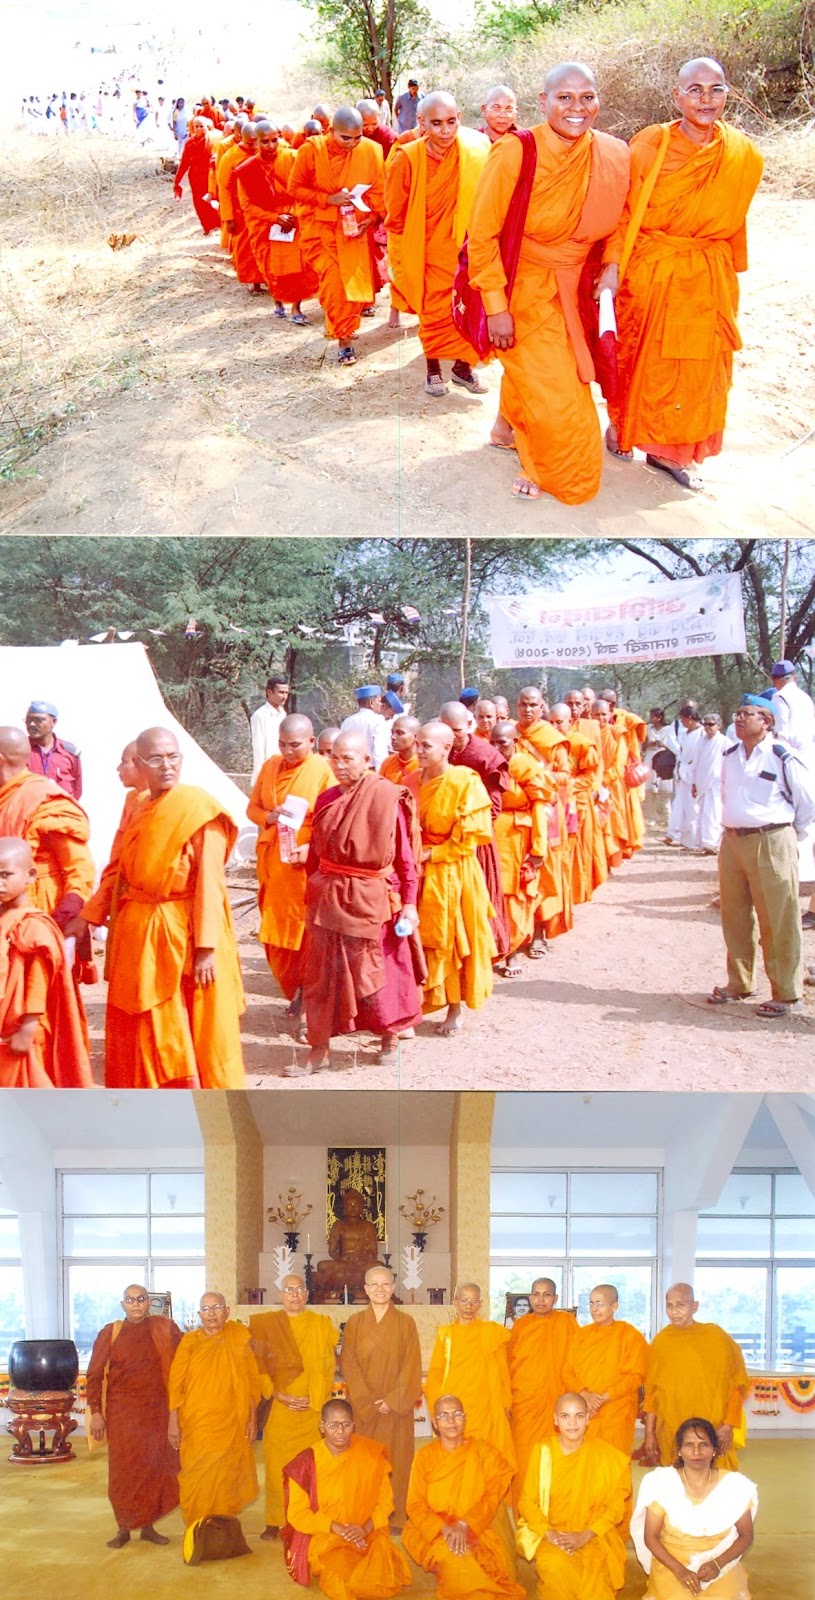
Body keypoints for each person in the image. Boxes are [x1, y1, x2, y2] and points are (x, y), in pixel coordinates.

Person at [467, 63, 629, 502]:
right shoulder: (516, 151)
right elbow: (482, 234)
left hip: (578, 288)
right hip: (524, 287)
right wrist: (497, 307)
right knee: (563, 399)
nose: (577, 108)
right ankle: (558, 474)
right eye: (565, 98)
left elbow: (621, 216)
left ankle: (505, 431)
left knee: (543, 373)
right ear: (543, 102)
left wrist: (612, 263)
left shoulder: (613, 153)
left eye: (587, 97)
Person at [600, 59, 763, 491]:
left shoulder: (743, 153)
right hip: (654, 270)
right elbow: (624, 211)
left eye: (716, 89)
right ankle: (625, 426)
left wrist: (727, 278)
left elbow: (734, 222)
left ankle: (668, 451)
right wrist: (612, 267)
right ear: (677, 96)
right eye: (695, 90)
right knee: (641, 359)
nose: (706, 99)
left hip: (708, 276)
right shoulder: (651, 144)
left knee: (696, 369)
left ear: (729, 94)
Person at [70, 726, 246, 1088]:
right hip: (139, 932)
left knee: (181, 1024)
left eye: (173, 757)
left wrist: (206, 948)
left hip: (182, 932)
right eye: (156, 759)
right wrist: (88, 915)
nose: (167, 766)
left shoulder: (199, 809)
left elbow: (210, 884)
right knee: (140, 1019)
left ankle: (189, 1104)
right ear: (140, 763)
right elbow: (118, 871)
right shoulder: (137, 805)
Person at [300, 731, 423, 1072]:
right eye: (334, 758)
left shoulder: (386, 797)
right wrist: (311, 888)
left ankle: (390, 1036)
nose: (338, 765)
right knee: (321, 974)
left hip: (372, 898)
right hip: (328, 896)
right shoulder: (326, 799)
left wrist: (409, 903)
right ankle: (319, 1048)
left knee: (380, 971)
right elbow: (316, 852)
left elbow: (406, 860)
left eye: (347, 758)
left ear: (367, 760)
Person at [707, 695, 815, 1017]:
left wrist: (788, 835)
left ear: (766, 721)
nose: (739, 719)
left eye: (747, 714)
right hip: (734, 841)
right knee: (735, 915)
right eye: (737, 713)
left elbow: (806, 802)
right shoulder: (729, 755)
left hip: (771, 839)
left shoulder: (782, 756)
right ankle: (739, 983)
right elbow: (726, 794)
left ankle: (787, 992)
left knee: (779, 918)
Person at [385, 93, 490, 397]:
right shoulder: (407, 157)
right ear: (421, 123)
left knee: (468, 309)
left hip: (466, 251)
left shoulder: (476, 149)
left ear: (460, 117)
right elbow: (396, 213)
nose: (445, 130)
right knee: (433, 312)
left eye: (451, 121)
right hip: (427, 253)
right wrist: (399, 256)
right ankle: (433, 368)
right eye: (436, 123)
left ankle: (462, 367)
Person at [247, 714, 335, 1023]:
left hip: (304, 863)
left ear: (312, 742)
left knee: (304, 932)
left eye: (295, 745)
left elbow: (334, 822)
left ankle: (305, 994)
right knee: (274, 931)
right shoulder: (270, 766)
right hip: (273, 859)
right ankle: (295, 988)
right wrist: (268, 817)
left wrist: (311, 849)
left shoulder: (323, 771)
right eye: (282, 744)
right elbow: (252, 807)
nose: (287, 751)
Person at [283, 1397, 411, 1598]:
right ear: (322, 1426)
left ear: (353, 1426)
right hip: (327, 1536)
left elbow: (385, 1503)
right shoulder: (305, 1464)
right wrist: (336, 1528)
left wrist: (365, 1528)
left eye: (345, 1425)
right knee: (341, 1583)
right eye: (333, 1425)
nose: (340, 1431)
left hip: (367, 1533)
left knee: (380, 1585)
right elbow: (297, 1515)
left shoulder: (370, 1455)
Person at [414, 721, 496, 1035]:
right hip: (417, 870)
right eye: (418, 744)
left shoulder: (465, 781)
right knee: (417, 938)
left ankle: (454, 1007)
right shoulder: (410, 780)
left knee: (452, 940)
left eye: (426, 746)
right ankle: (419, 1001)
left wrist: (430, 855)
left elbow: (468, 838)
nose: (419, 751)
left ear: (447, 748)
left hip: (453, 871)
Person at [86, 1283, 182, 1548]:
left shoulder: (164, 1329)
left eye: (141, 1299)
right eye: (130, 1300)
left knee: (154, 1469)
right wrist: (96, 1412)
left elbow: (187, 1358)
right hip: (122, 1414)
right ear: (123, 1304)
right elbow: (94, 1375)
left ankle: (148, 1525)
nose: (136, 1304)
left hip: (156, 1412)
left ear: (149, 1303)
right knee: (123, 1471)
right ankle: (124, 1527)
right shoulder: (110, 1333)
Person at [289, 107, 385, 366]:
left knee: (352, 282)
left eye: (358, 137)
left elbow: (378, 191)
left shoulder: (371, 150)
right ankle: (344, 339)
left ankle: (347, 331)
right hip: (320, 228)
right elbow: (294, 187)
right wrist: (326, 199)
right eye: (346, 138)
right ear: (331, 131)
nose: (353, 144)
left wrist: (372, 218)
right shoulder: (312, 150)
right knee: (333, 283)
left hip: (353, 227)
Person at [403, 1395, 523, 1600]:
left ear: (465, 1418)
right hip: (436, 1529)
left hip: (478, 1526)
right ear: (435, 1423)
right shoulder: (424, 1456)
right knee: (455, 1556)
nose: (451, 1421)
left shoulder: (483, 1452)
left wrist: (465, 1524)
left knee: (492, 1564)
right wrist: (445, 1529)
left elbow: (492, 1494)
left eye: (457, 1414)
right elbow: (414, 1505)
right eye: (444, 1416)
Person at [515, 1393, 629, 1600]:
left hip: (593, 1537)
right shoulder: (543, 1452)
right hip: (552, 1534)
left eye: (578, 1416)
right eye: (565, 1416)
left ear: (588, 1419)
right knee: (556, 1566)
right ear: (555, 1420)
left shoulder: (606, 1456)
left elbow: (615, 1508)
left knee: (595, 1575)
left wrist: (586, 1535)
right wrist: (549, 1534)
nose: (572, 1423)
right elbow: (526, 1502)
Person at [250, 1274, 336, 1541]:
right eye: (289, 1289)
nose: (294, 1294)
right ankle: (275, 1520)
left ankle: (306, 1516)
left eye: (300, 1289)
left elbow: (328, 1366)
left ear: (307, 1295)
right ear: (280, 1295)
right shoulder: (267, 1325)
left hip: (311, 1409)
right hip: (280, 1408)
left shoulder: (321, 1325)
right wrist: (279, 1395)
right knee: (277, 1466)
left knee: (309, 1466)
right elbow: (258, 1367)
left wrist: (316, 1398)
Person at [0, 837, 92, 1087]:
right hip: (3, 1033)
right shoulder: (4, 918)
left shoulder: (34, 926)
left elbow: (37, 985)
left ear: (30, 875)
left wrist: (27, 1030)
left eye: (5, 875)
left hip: (23, 1033)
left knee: (27, 1102)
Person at [631, 1416, 757, 1599]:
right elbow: (651, 1537)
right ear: (679, 1451)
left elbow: (746, 1535)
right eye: (689, 1445)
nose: (696, 1451)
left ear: (714, 1450)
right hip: (672, 1562)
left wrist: (718, 1564)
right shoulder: (662, 1483)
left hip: (719, 1560)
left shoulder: (734, 1486)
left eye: (704, 1444)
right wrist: (679, 1570)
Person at [168, 1292, 261, 1530]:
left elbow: (251, 1382)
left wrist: (252, 1419)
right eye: (206, 1309)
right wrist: (173, 1421)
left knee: (227, 1475)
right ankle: (197, 1528)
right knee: (197, 1474)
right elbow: (175, 1385)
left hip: (232, 1421)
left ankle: (222, 1527)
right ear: (199, 1314)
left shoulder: (239, 1337)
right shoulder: (189, 1342)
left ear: (227, 1312)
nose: (211, 1313)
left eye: (217, 1307)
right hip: (197, 1423)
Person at [340, 1265, 422, 1528]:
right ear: (365, 1289)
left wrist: (393, 1400)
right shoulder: (354, 1323)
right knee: (365, 1463)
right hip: (365, 1410)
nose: (380, 1289)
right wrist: (368, 1401)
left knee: (397, 1460)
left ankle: (397, 1515)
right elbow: (348, 1364)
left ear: (393, 1287)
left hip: (396, 1409)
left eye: (385, 1284)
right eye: (374, 1285)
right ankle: (366, 1514)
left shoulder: (406, 1323)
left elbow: (413, 1365)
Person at [563, 1284, 648, 1532]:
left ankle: (618, 1529)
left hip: (615, 1413)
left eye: (600, 1303)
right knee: (584, 1467)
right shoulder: (581, 1335)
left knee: (614, 1468)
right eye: (591, 1303)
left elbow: (636, 1375)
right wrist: (585, 1393)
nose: (594, 1308)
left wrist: (605, 1397)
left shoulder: (628, 1335)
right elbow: (566, 1371)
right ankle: (584, 1522)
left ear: (615, 1306)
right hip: (584, 1414)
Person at [643, 1285, 751, 1472]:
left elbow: (737, 1384)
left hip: (712, 1427)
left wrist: (728, 1424)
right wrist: (649, 1432)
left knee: (716, 1483)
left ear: (695, 1307)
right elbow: (652, 1392)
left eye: (680, 1305)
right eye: (669, 1305)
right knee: (677, 1484)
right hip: (672, 1429)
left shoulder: (716, 1337)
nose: (674, 1311)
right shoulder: (662, 1342)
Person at [0, 726, 94, 934]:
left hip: (40, 910)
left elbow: (78, 866)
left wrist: (67, 913)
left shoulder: (43, 799)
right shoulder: (5, 794)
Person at [440, 700, 511, 962]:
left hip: (475, 840)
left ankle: (484, 953)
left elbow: (493, 807)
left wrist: (466, 833)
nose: (450, 737)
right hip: (442, 839)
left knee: (480, 898)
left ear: (469, 726)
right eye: (445, 729)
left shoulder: (484, 755)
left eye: (456, 730)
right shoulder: (439, 751)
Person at [425, 1284, 514, 1472]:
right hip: (454, 1408)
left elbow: (502, 1370)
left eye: (474, 1301)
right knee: (456, 1459)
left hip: (485, 1408)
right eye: (464, 1301)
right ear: (455, 1302)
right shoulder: (446, 1334)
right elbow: (435, 1373)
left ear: (480, 1304)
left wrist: (506, 1402)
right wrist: (435, 1408)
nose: (468, 1306)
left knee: (484, 1459)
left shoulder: (491, 1332)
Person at [507, 1277, 577, 1513]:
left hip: (557, 1404)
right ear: (529, 1297)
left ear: (555, 1299)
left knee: (556, 1459)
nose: (540, 1299)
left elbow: (577, 1360)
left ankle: (556, 1513)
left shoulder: (567, 1323)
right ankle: (523, 1516)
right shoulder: (520, 1326)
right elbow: (509, 1362)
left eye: (546, 1294)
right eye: (536, 1294)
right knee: (525, 1460)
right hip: (525, 1403)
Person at [237, 122, 318, 321]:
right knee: (270, 267)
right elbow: (247, 205)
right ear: (255, 142)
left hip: (292, 219)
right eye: (265, 142)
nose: (271, 146)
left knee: (296, 266)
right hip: (264, 223)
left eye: (275, 140)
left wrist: (292, 215)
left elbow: (305, 187)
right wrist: (274, 218)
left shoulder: (292, 157)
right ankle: (278, 300)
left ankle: (296, 308)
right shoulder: (246, 169)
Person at [25, 701, 82, 799]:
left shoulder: (69, 752)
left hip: (62, 812)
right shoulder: (19, 750)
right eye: (28, 720)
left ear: (54, 722)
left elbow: (77, 788)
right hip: (29, 812)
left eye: (39, 720)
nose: (32, 724)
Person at [665, 704, 703, 849]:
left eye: (683, 719)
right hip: (683, 772)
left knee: (693, 809)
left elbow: (699, 756)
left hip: (694, 775)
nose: (682, 723)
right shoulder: (687, 733)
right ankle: (686, 840)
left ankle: (696, 840)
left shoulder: (701, 734)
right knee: (682, 807)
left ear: (690, 719)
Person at [173, 117, 220, 233]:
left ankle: (217, 224)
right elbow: (184, 162)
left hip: (210, 176)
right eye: (196, 126)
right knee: (199, 202)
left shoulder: (214, 141)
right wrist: (177, 180)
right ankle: (207, 226)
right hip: (195, 176)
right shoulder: (189, 142)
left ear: (206, 127)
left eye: (201, 126)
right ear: (193, 128)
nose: (199, 129)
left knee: (212, 200)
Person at [690, 714, 727, 853]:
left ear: (719, 725)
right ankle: (703, 842)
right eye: (705, 724)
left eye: (711, 724)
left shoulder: (725, 742)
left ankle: (713, 843)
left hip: (716, 783)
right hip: (702, 782)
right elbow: (696, 763)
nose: (707, 727)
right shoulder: (701, 741)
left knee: (714, 813)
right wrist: (694, 783)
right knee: (702, 813)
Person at [340, 687, 391, 771]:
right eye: (379, 701)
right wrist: (381, 775)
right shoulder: (378, 721)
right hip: (370, 771)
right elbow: (379, 752)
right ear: (371, 703)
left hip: (350, 770)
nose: (381, 704)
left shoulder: (347, 722)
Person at [251, 674, 291, 780]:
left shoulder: (283, 714)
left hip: (282, 770)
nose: (284, 696)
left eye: (286, 693)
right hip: (267, 773)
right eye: (281, 692)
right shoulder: (260, 715)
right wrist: (261, 777)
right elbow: (258, 750)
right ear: (269, 692)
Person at [379, 716, 421, 785]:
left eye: (399, 733)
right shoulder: (388, 762)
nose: (393, 737)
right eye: (392, 732)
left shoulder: (423, 764)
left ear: (415, 737)